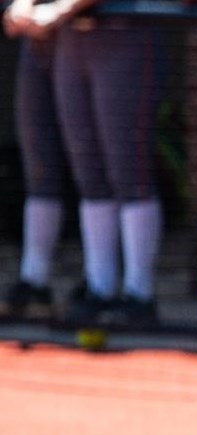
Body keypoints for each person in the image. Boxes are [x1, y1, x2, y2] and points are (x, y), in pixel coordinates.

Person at [43, 0, 163, 329]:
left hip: (123, 36)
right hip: (72, 44)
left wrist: (59, 9)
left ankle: (139, 293)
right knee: (89, 174)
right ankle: (100, 287)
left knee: (130, 172)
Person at [2, 0, 67, 323]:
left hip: (99, 38)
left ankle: (117, 289)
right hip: (38, 44)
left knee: (106, 169)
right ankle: (34, 279)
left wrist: (62, 9)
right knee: (39, 168)